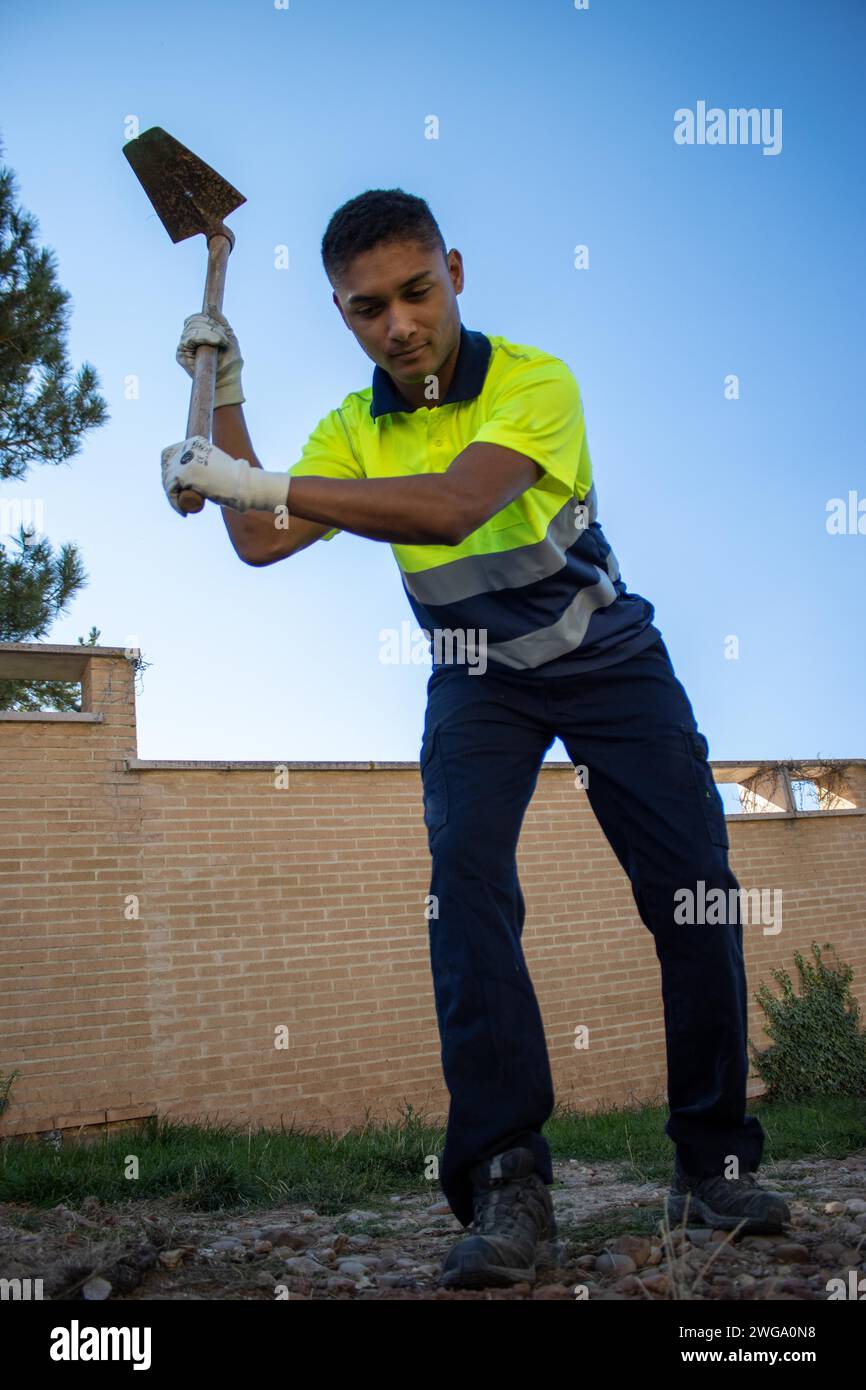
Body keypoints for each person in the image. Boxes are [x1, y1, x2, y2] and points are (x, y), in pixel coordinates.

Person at [162, 188, 792, 1291]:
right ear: (343, 315)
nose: (399, 324)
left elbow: (455, 506)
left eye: (417, 291)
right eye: (367, 309)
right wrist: (227, 394)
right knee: (463, 887)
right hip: (475, 678)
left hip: (605, 657)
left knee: (692, 888)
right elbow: (259, 538)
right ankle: (506, 1181)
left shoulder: (535, 381)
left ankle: (710, 1164)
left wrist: (245, 474)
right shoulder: (354, 431)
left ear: (453, 271)